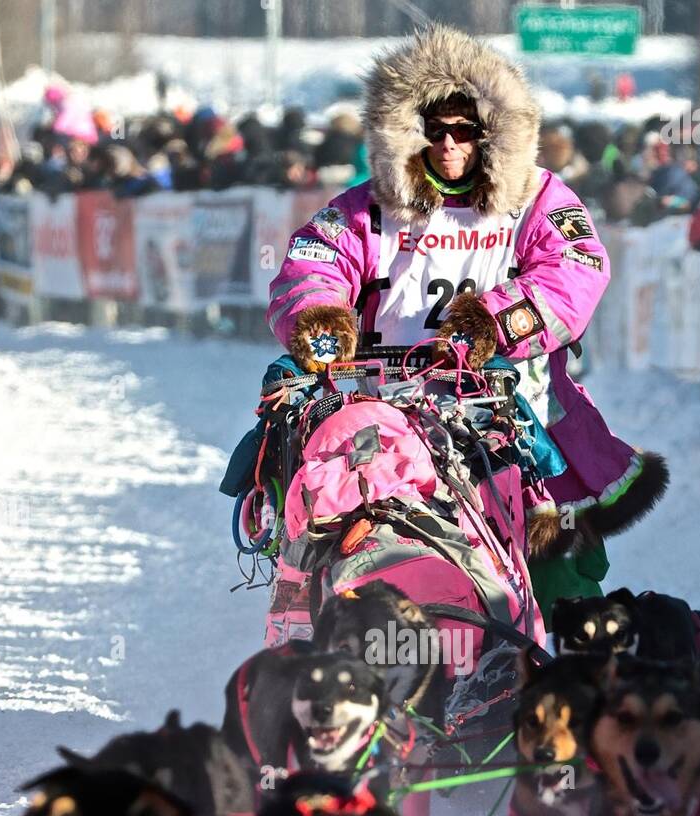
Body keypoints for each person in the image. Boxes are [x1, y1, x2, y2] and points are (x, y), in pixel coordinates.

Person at [266, 24, 667, 612]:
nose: (450, 145)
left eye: (465, 132)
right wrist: (320, 315)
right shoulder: (366, 207)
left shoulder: (537, 198)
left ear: (490, 136)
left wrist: (492, 325)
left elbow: (577, 267)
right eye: (434, 131)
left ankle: (563, 668)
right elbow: (313, 262)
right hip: (382, 396)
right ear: (408, 133)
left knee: (557, 564)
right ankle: (320, 624)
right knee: (334, 494)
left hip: (509, 400)